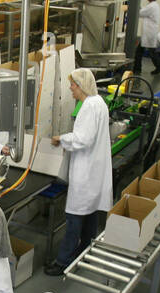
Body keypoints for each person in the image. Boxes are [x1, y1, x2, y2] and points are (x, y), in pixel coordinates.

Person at [43, 69, 113, 276]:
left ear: (81, 85)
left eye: (73, 84)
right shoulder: (99, 102)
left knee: (74, 218)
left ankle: (63, 262)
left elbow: (83, 139)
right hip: (95, 170)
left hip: (86, 171)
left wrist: (61, 139)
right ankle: (85, 252)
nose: (71, 88)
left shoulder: (89, 106)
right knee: (90, 215)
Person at [133, 0, 160, 74]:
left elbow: (140, 13)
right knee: (144, 51)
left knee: (144, 52)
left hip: (149, 34)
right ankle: (158, 67)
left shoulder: (152, 6)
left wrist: (136, 6)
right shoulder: (153, 6)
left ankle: (138, 69)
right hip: (149, 33)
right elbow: (143, 12)